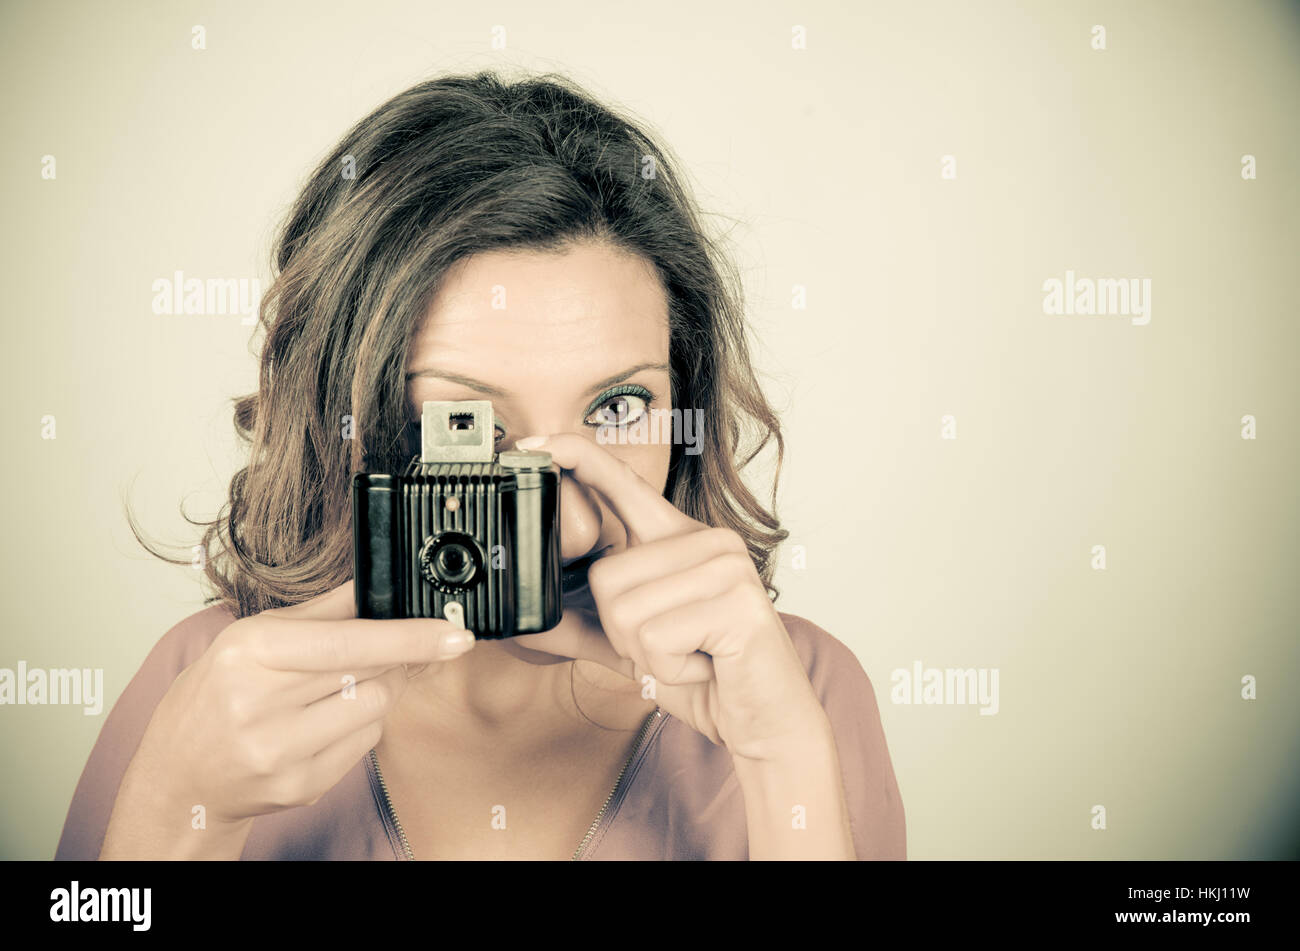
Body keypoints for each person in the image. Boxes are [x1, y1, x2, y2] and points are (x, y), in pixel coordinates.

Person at [55, 69, 905, 861]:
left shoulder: (799, 686)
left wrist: (784, 761)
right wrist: (173, 807)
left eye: (616, 409)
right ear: (349, 422)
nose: (567, 525)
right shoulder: (211, 682)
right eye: (470, 427)